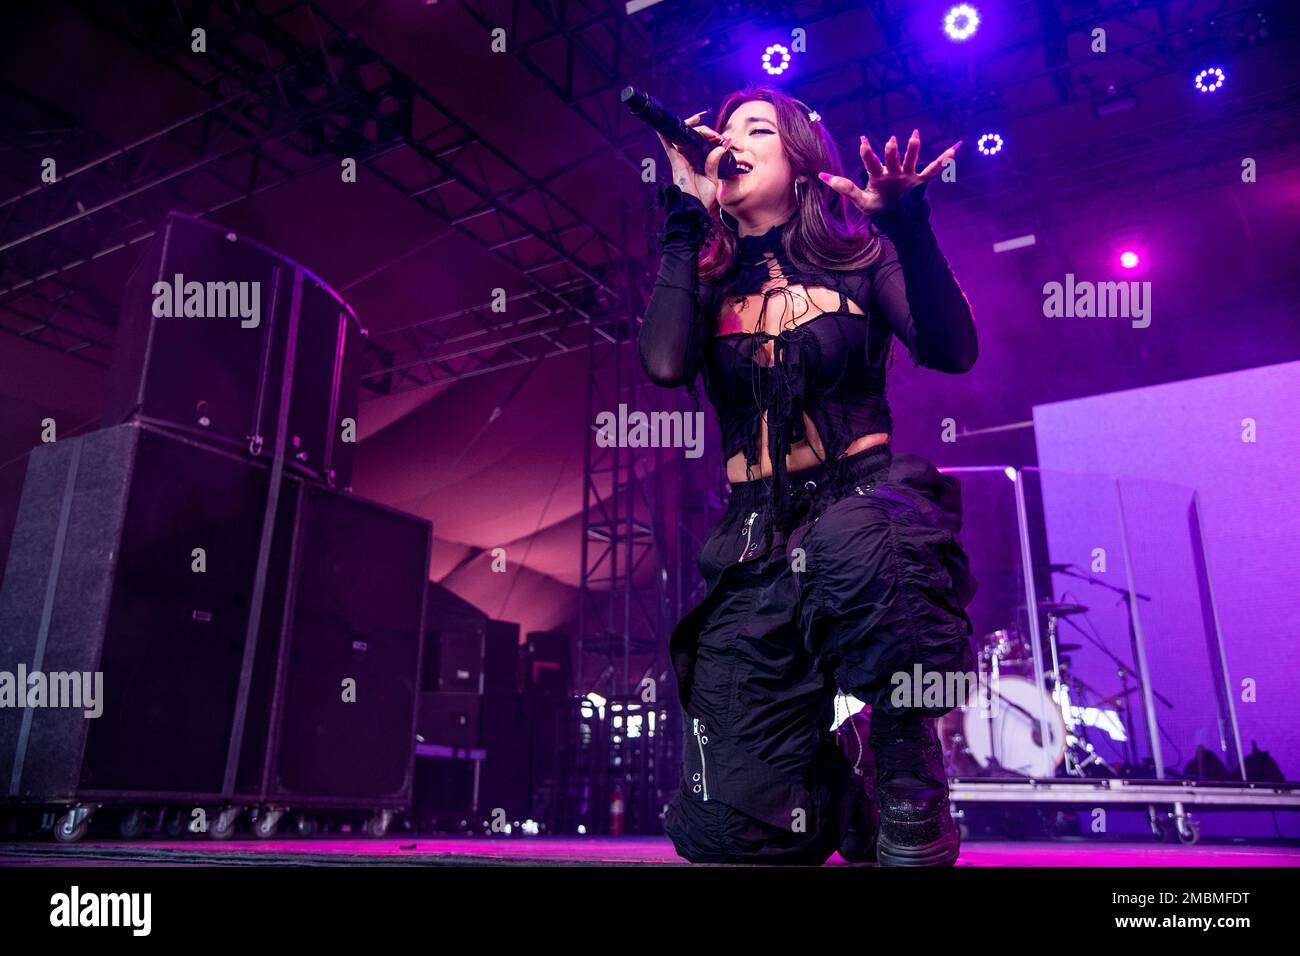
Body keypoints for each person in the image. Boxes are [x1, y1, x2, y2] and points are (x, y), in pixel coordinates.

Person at [639, 86, 979, 866]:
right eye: (724, 133)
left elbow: (953, 349)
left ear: (799, 159)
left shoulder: (862, 256)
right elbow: (663, 365)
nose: (732, 141)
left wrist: (908, 223)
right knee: (725, 836)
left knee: (857, 539)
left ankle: (905, 771)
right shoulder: (707, 273)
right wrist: (685, 217)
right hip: (756, 536)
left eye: (756, 129)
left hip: (864, 503)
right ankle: (840, 775)